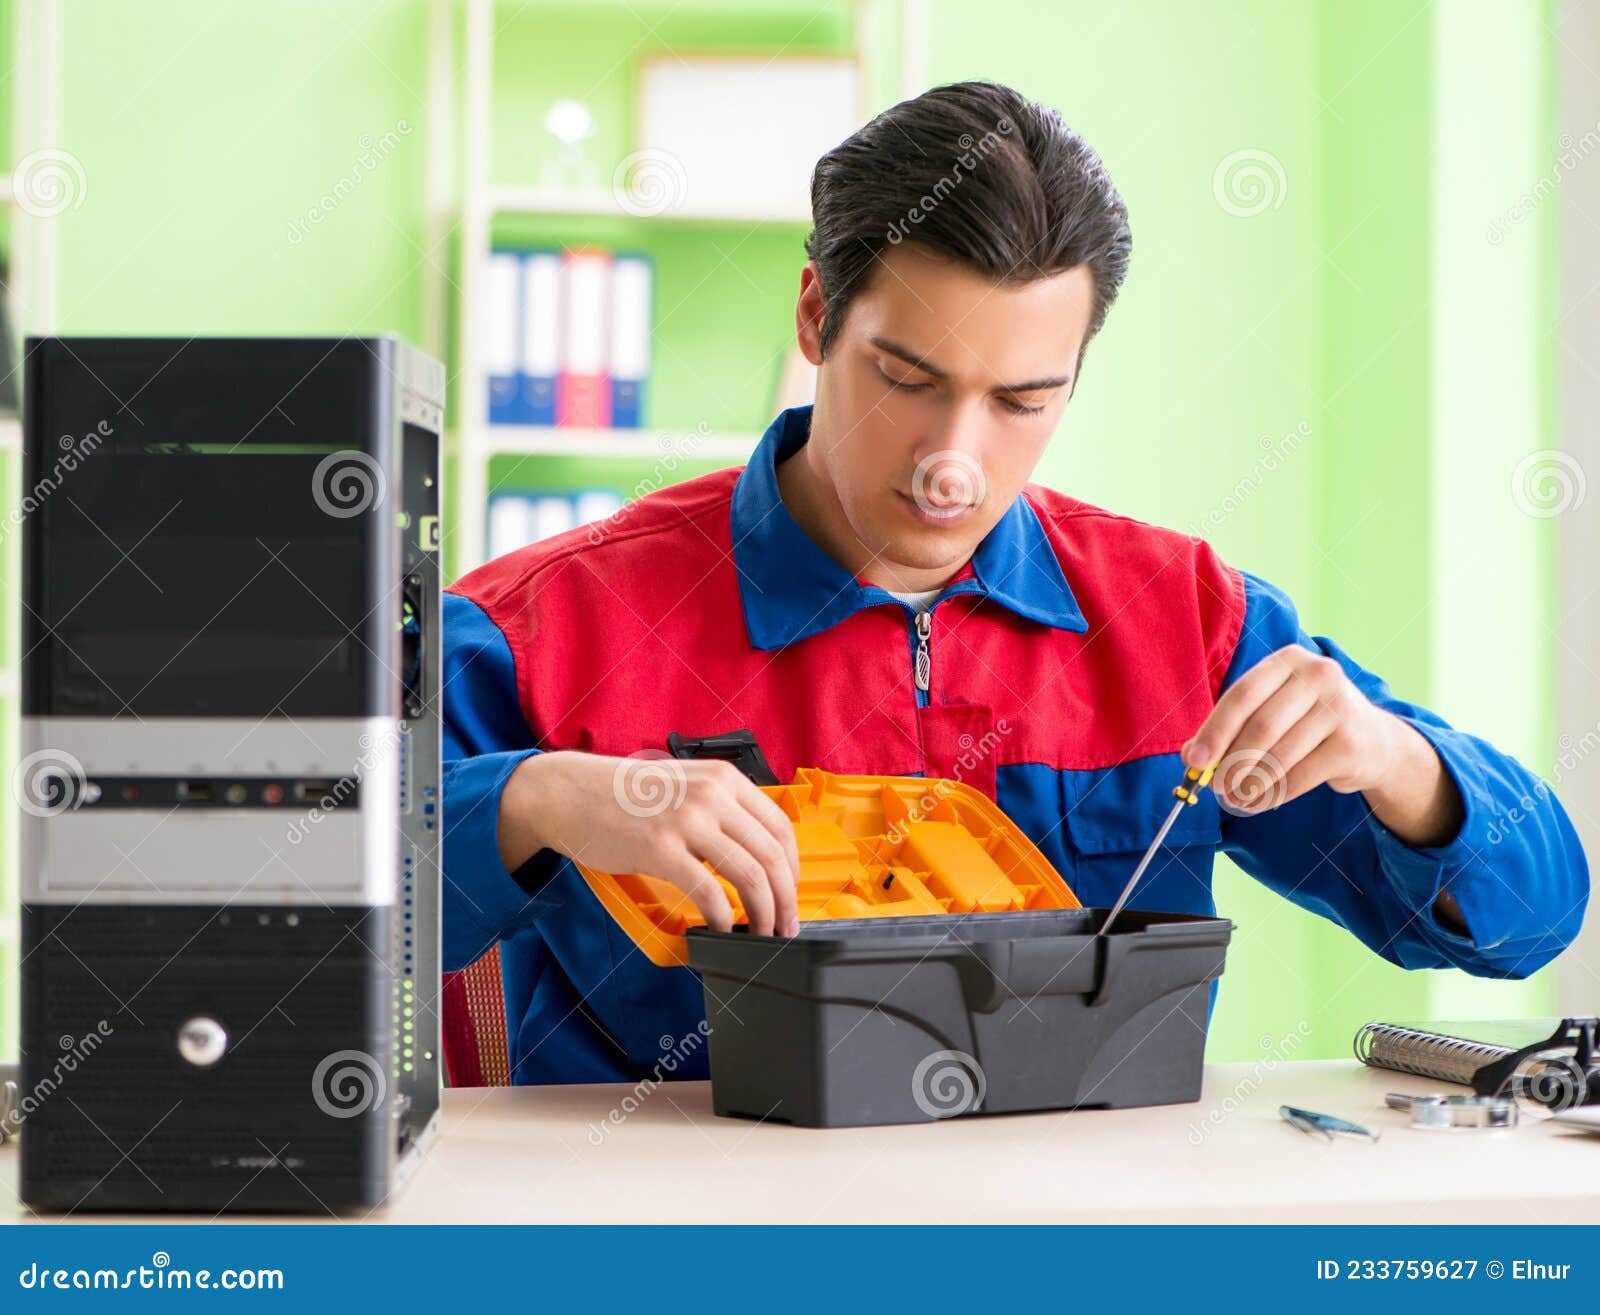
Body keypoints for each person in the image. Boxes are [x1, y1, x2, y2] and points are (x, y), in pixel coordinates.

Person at [441, 80, 1588, 1085]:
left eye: (1021, 401)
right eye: (907, 377)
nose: (952, 458)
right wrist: (535, 800)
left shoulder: (1183, 619)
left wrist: (1400, 761)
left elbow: (1527, 923)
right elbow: (297, 925)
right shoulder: (541, 625)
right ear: (814, 317)